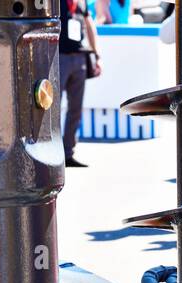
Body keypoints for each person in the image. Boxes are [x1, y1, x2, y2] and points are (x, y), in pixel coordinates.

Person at [60, 0, 102, 168]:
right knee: (53, 108)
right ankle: (52, 153)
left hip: (80, 56)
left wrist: (96, 54)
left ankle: (68, 152)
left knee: (76, 108)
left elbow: (88, 23)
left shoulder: (81, 1)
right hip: (59, 56)